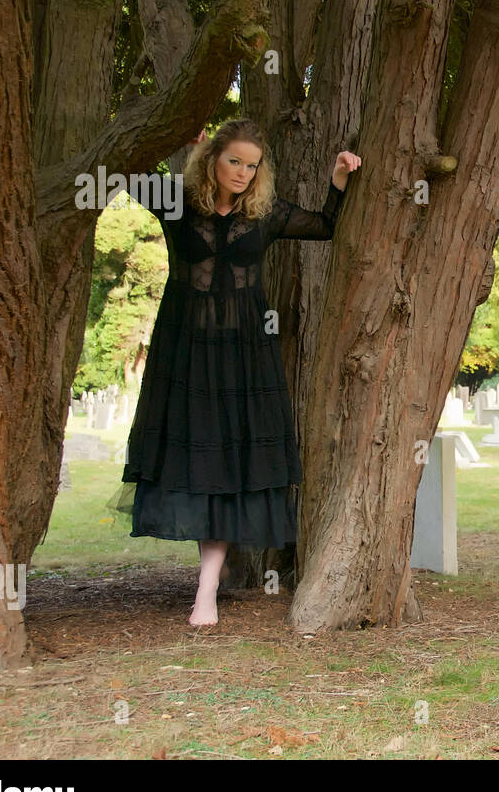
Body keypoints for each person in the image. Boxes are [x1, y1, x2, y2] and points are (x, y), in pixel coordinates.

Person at [107, 120, 360, 626]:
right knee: (197, 460)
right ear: (211, 159)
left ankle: (206, 592)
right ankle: (206, 588)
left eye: (252, 165)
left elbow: (326, 226)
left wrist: (338, 179)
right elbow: (122, 170)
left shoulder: (266, 215)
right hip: (185, 353)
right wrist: (180, 143)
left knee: (233, 462)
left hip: (246, 354)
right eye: (234, 161)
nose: (244, 173)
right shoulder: (175, 202)